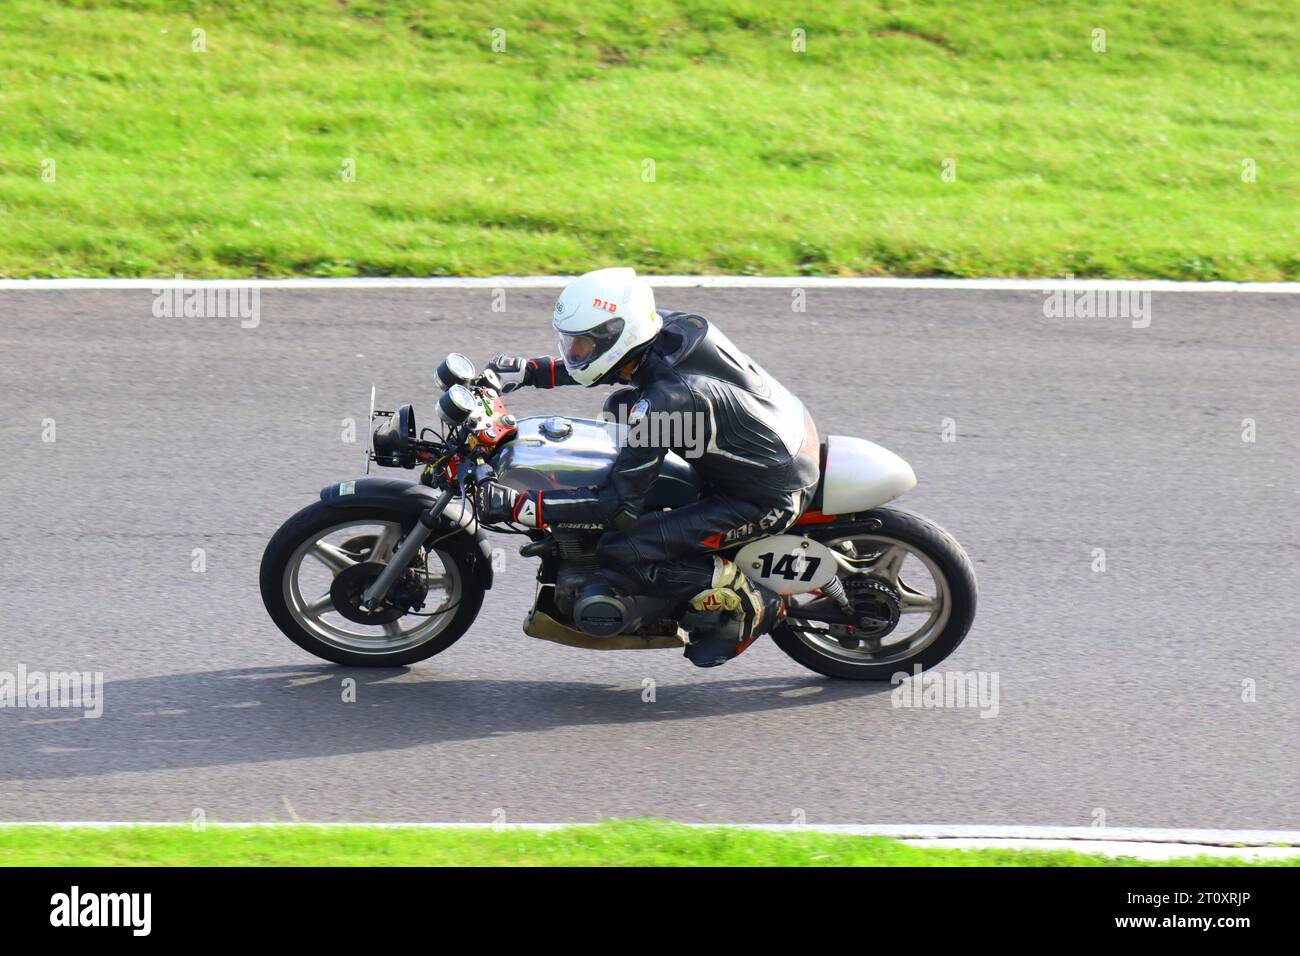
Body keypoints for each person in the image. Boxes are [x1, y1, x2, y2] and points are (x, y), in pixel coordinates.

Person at [478, 267, 820, 667]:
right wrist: (529, 372)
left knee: (618, 552)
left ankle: (752, 601)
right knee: (619, 408)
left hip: (767, 495)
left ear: (617, 337)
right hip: (782, 435)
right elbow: (610, 364)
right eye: (571, 342)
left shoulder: (664, 403)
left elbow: (616, 507)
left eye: (583, 344)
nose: (575, 352)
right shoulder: (671, 327)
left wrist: (526, 507)